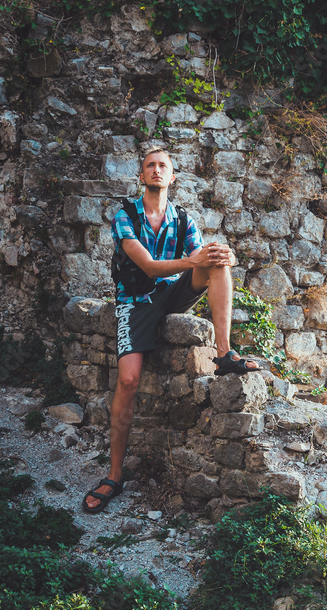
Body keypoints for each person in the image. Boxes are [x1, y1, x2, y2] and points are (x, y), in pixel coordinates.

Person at [82, 148, 261, 514]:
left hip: (172, 294)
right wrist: (191, 261)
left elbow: (199, 260)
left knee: (217, 264)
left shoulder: (183, 218)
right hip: (135, 302)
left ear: (173, 176)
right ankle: (115, 474)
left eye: (163, 165)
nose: (157, 169)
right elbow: (147, 267)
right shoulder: (125, 216)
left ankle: (225, 355)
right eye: (150, 165)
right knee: (129, 381)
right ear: (142, 175)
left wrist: (219, 256)